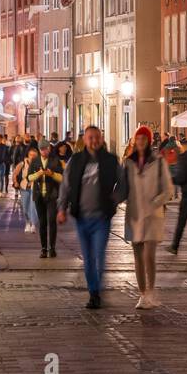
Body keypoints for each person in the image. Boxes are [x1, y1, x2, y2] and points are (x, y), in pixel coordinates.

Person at [57, 125, 124, 309]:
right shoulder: (76, 160)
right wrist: (61, 208)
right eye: (90, 137)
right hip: (82, 218)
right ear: (84, 140)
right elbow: (66, 185)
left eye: (96, 137)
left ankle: (96, 291)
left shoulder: (110, 160)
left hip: (102, 217)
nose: (94, 141)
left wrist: (115, 199)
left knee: (99, 256)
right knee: (88, 258)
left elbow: (123, 183)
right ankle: (93, 292)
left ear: (101, 139)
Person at [122, 126, 174, 309]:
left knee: (149, 255)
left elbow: (169, 189)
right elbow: (122, 187)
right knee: (137, 256)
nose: (141, 141)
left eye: (144, 138)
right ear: (135, 141)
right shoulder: (128, 162)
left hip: (153, 215)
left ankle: (151, 291)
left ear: (149, 140)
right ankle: (142, 294)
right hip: (134, 214)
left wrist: (154, 203)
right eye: (138, 138)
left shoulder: (158, 162)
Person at [31, 141, 64, 257]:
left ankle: (52, 248)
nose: (44, 151)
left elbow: (62, 177)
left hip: (52, 195)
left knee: (51, 221)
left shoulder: (55, 160)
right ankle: (43, 248)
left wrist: (52, 174)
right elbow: (29, 177)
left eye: (46, 149)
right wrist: (39, 174)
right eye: (42, 149)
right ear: (39, 150)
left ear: (49, 149)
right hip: (39, 195)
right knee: (42, 222)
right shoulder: (35, 161)